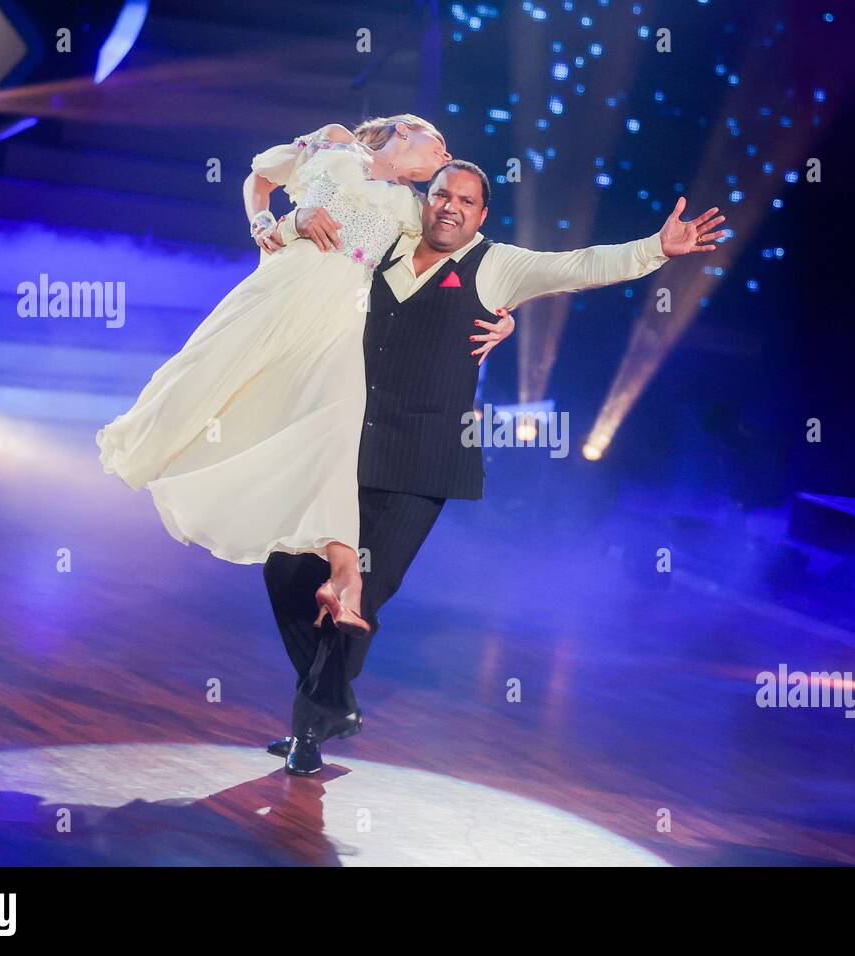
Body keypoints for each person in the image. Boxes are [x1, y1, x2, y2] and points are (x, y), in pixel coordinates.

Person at [262, 159, 729, 774]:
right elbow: (292, 253)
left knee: (361, 593)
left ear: (482, 214)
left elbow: (577, 266)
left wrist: (655, 250)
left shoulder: (496, 266)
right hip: (344, 448)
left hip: (422, 463)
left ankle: (310, 731)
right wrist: (291, 217)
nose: (449, 206)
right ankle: (332, 701)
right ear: (425, 202)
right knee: (285, 571)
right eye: (440, 195)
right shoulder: (385, 248)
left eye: (465, 200)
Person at [95, 116, 512, 635]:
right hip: (279, 293)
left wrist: (501, 310)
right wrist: (268, 223)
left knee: (335, 433)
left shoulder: (410, 209)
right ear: (405, 131)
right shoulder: (335, 142)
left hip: (339, 323)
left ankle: (343, 579)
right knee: (204, 381)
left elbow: (467, 254)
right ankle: (147, 443)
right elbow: (259, 180)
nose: (444, 157)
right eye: (440, 144)